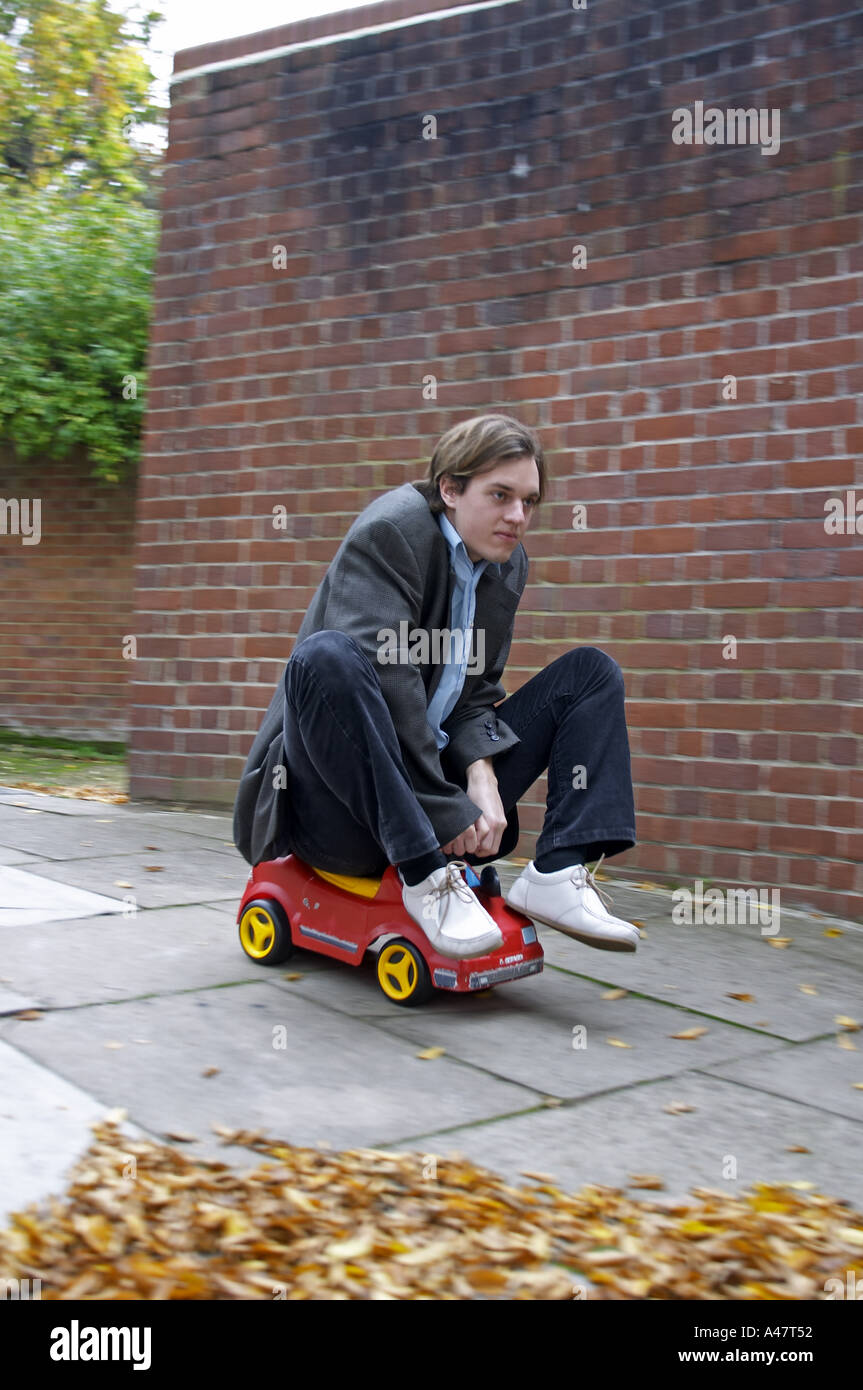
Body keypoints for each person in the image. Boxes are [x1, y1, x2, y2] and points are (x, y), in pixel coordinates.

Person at [232, 414, 639, 960]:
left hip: (434, 799)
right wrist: (447, 808)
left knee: (590, 674)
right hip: (339, 807)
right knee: (325, 657)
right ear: (449, 488)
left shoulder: (505, 564)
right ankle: (426, 879)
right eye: (500, 495)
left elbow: (474, 693)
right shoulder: (393, 532)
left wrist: (481, 774)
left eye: (529, 501)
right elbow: (386, 678)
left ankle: (559, 871)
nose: (518, 517)